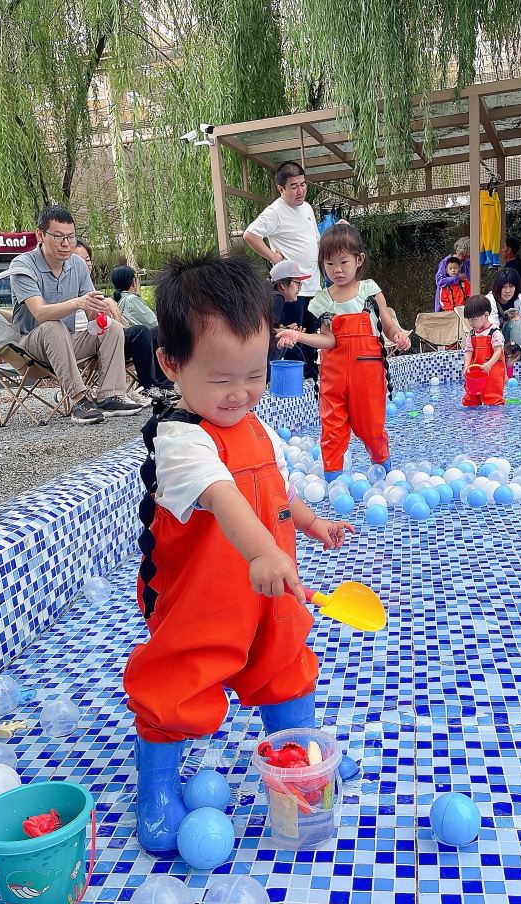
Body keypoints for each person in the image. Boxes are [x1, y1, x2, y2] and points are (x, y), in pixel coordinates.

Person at [123, 253, 354, 854]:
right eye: (222, 379)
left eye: (254, 376)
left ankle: (299, 751)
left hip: (267, 593)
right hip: (205, 602)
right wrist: (261, 551)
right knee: (182, 677)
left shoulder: (255, 425)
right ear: (172, 365)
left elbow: (273, 488)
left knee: (283, 661)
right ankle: (156, 781)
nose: (242, 394)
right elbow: (224, 496)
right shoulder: (180, 439)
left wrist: (311, 524)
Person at [276, 224, 411, 481]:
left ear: (359, 260)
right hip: (333, 378)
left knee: (371, 428)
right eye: (329, 264)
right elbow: (328, 340)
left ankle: (385, 469)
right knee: (332, 429)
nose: (336, 270)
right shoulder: (323, 300)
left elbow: (388, 323)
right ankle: (332, 481)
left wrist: (398, 335)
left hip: (367, 374)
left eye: (343, 262)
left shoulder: (369, 291)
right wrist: (298, 336)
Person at [9, 207, 141, 425]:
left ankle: (109, 395)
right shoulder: (23, 265)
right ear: (40, 235)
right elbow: (40, 313)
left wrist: (103, 305)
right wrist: (78, 302)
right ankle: (80, 400)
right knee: (53, 326)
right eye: (58, 237)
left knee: (111, 326)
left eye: (71, 237)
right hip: (30, 345)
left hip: (67, 342)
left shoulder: (78, 264)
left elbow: (91, 315)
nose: (66, 243)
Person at [243, 161, 320, 380]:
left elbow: (315, 239)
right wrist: (273, 256)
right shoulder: (275, 211)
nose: (300, 190)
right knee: (290, 341)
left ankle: (310, 382)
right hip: (291, 289)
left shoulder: (307, 208)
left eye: (303, 184)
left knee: (310, 339)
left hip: (312, 284)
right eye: (294, 186)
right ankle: (288, 387)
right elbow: (250, 234)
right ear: (281, 189)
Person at [73, 241, 161, 404]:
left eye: (87, 260)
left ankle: (157, 387)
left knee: (148, 333)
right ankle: (150, 388)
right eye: (78, 260)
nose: (83, 264)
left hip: (105, 335)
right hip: (86, 340)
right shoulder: (67, 284)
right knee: (145, 332)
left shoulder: (90, 286)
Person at [110, 265, 175, 391]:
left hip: (124, 343)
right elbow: (153, 322)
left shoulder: (117, 301)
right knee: (163, 331)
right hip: (135, 344)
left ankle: (162, 383)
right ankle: (165, 384)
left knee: (155, 336)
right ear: (133, 281)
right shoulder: (131, 299)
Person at [461, 294, 507, 407]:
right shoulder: (471, 334)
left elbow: (498, 351)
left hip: (492, 372)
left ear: (486, 315)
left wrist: (489, 364)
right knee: (471, 398)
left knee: (492, 398)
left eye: (474, 319)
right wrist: (466, 366)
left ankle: (494, 420)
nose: (471, 323)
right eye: (469, 320)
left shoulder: (494, 332)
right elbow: (468, 351)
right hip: (476, 371)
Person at [268, 260, 308, 377]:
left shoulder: (269, 295)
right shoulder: (277, 298)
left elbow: (269, 326)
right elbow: (266, 332)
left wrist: (285, 329)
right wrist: (288, 333)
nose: (300, 288)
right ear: (283, 285)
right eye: (297, 283)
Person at [487, 268, 521, 349]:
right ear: (498, 287)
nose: (508, 291)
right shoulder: (490, 300)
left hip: (510, 335)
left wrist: (515, 318)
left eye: (511, 286)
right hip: (492, 338)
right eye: (504, 287)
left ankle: (515, 353)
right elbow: (492, 326)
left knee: (517, 321)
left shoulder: (519, 299)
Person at [434, 237, 470, 311]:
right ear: (459, 251)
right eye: (464, 255)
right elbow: (439, 281)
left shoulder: (466, 263)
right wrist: (457, 278)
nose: (466, 257)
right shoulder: (445, 262)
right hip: (446, 307)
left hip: (463, 307)